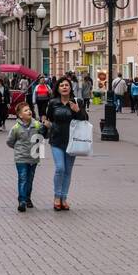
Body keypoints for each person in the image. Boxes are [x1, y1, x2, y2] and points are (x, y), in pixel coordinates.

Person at [44, 78, 89, 210]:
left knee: (68, 171)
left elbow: (85, 120)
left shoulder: (77, 102)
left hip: (72, 141)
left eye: (67, 85)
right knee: (60, 168)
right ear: (58, 88)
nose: (64, 87)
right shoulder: (53, 103)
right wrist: (47, 123)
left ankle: (64, 198)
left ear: (70, 88)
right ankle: (57, 196)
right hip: (56, 139)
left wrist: (77, 111)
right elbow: (49, 118)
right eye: (62, 85)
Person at [6, 102, 46, 211]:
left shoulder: (37, 124)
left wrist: (47, 126)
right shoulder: (16, 128)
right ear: (20, 115)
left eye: (29, 110)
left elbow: (43, 137)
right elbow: (9, 142)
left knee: (30, 179)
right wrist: (18, 149)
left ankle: (28, 198)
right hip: (21, 158)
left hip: (34, 157)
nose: (29, 111)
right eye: (26, 110)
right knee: (23, 178)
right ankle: (22, 201)